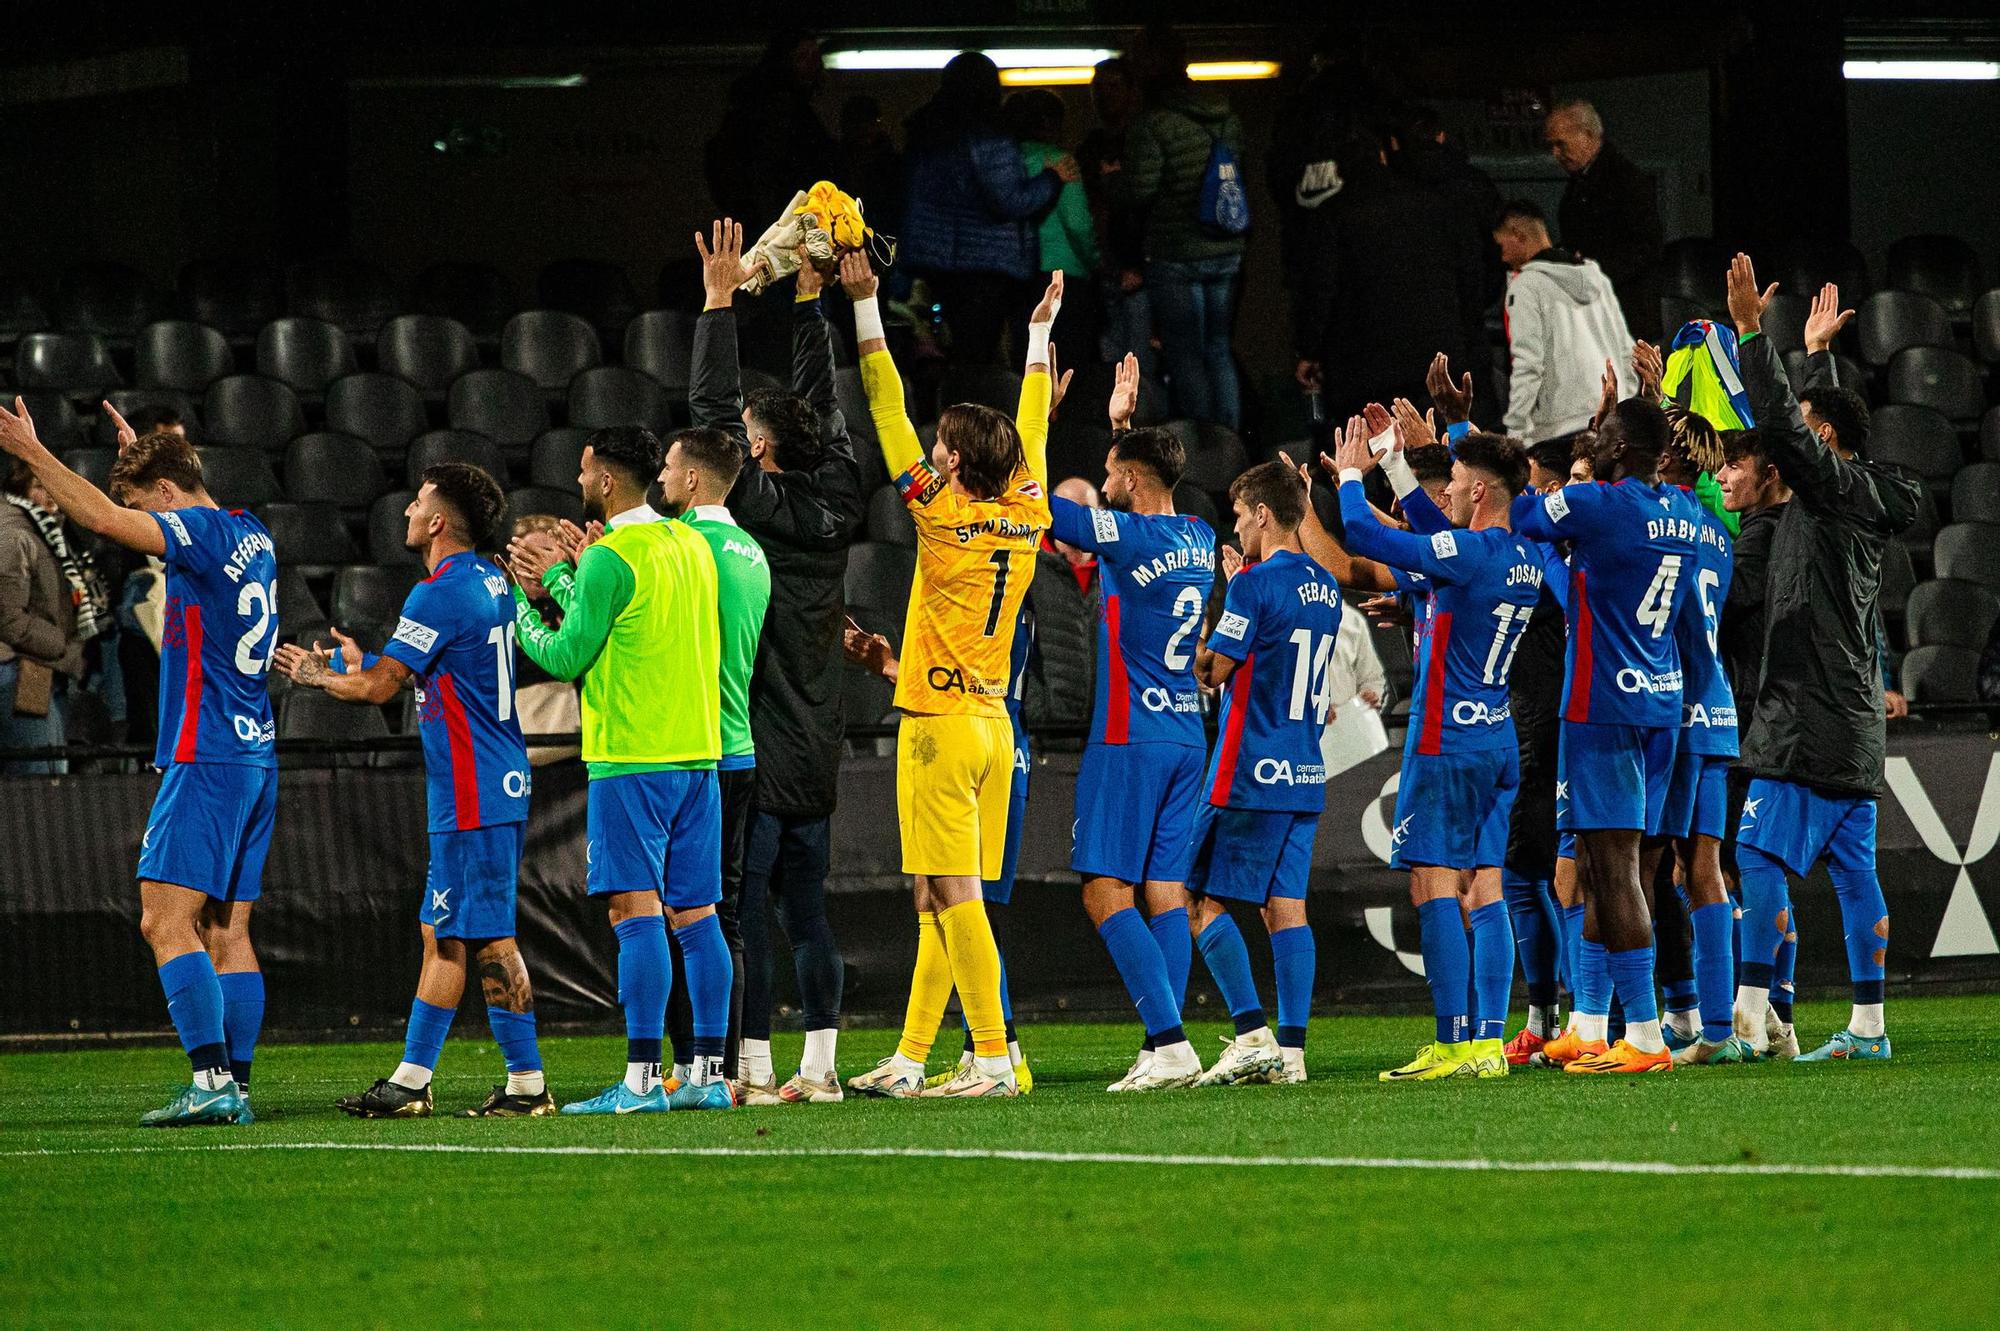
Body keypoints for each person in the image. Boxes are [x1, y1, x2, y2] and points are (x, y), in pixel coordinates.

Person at [0, 399, 277, 1126]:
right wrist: (139, 453)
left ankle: (211, 1079)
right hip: (255, 752)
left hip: (208, 751)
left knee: (163, 918)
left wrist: (33, 452)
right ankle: (237, 1085)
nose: (141, 521)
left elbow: (101, 518)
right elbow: (158, 501)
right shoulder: (253, 531)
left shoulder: (204, 531)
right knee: (227, 928)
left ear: (165, 496)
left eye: (143, 501)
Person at [841, 253, 1056, 1099]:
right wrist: (1037, 336)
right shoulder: (1030, 510)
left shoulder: (942, 514)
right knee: (937, 892)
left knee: (951, 890)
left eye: (940, 447)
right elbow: (1033, 424)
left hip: (937, 723)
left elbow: (886, 405)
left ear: (957, 462)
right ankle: (911, 1054)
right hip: (995, 725)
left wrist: (865, 307)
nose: (928, 453)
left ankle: (995, 1055)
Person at [275, 465, 551, 1117]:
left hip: (475, 786)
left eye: (418, 501)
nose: (404, 510)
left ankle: (520, 1083)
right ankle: (421, 1080)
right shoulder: (490, 579)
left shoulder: (440, 592)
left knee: (488, 936)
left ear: (437, 522)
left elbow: (378, 689)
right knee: (444, 931)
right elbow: (423, 673)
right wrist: (363, 664)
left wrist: (318, 677)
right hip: (486, 778)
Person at [1726, 262, 1924, 1062]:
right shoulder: (1860, 494)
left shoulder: (1833, 489)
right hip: (1853, 716)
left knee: (1758, 853)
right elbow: (1814, 425)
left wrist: (1751, 333)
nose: (1794, 446)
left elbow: (1784, 426)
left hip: (1804, 709)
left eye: (1813, 432)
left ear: (1828, 443)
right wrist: (1815, 357)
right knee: (1851, 871)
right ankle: (1869, 1028)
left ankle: (1749, 1015)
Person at [506, 426, 735, 1113]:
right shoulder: (692, 542)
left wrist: (529, 596)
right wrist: (569, 575)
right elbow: (642, 624)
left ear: (606, 480)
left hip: (632, 756)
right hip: (699, 754)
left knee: (633, 914)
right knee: (698, 917)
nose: (578, 482)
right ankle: (708, 1075)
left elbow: (568, 653)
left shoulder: (611, 557)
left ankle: (640, 1082)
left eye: (583, 472)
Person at [690, 220, 868, 1104]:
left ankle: (753, 1068)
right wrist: (807, 299)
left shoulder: (753, 504)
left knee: (745, 911)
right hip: (822, 737)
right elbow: (824, 407)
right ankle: (821, 1068)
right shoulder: (839, 493)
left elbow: (715, 419)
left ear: (757, 455)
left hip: (759, 737)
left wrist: (721, 305)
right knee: (808, 912)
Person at [1331, 422, 1544, 1081]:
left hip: (1445, 738)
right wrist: (1395, 462)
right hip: (1497, 738)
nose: (1444, 488)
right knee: (1485, 885)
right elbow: (1432, 532)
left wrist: (1346, 477)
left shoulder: (1471, 554)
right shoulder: (1524, 553)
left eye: (1453, 481)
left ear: (1478, 491)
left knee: (1430, 881)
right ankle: (1485, 1043)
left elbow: (1371, 536)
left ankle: (1452, 1045)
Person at [1511, 393, 1703, 1074]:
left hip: (1603, 707)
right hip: (1659, 705)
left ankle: (1647, 1036)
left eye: (1603, 432)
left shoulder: (1599, 504)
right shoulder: (1687, 513)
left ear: (1621, 449)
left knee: (1616, 868)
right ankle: (1591, 1023)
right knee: (1601, 864)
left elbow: (1524, 512)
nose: (1594, 436)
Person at [1045, 356, 1214, 1091]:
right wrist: (1124, 428)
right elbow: (1141, 486)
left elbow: (1038, 504)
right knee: (1165, 890)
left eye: (1111, 474)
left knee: (1104, 891)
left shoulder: (1128, 537)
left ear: (1133, 481)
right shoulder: (1200, 535)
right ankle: (1161, 1043)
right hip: (1187, 733)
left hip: (1130, 732)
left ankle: (1171, 1040)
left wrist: (1041, 417)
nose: (1103, 484)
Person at [1186, 461, 1343, 1088]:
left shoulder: (1253, 585)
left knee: (1202, 899)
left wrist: (1217, 606)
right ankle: (1293, 1053)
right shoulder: (1326, 584)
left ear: (1263, 516)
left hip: (1251, 770)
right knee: (1286, 907)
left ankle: (1252, 1035)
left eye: (1240, 515)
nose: (1236, 526)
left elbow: (1212, 671)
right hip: (1305, 769)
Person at [655, 423, 770, 1100]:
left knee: (685, 913)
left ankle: (697, 1066)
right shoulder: (753, 551)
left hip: (693, 749)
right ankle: (721, 1068)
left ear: (693, 478)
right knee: (724, 915)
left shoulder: (685, 544)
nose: (663, 477)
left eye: (669, 466)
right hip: (741, 744)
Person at [1653, 421, 1756, 1066]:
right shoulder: (1718, 533)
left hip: (1669, 709)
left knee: (1652, 864)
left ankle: (1657, 1017)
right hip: (1717, 707)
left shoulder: (1655, 524)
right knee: (1706, 867)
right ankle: (1717, 1026)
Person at [1293, 133, 1486, 425]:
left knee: (1375, 451)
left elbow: (1321, 290)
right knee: (1439, 449)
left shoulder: (1334, 216)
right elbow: (1471, 274)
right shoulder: (1435, 205)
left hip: (1363, 368)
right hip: (1437, 357)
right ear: (1382, 155)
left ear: (1339, 168)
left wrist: (1309, 350)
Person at [901, 51, 1076, 365]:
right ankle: (978, 412)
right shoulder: (988, 136)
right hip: (986, 264)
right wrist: (1052, 178)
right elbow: (1010, 201)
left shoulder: (926, 133)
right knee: (980, 355)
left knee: (957, 351)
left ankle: (951, 410)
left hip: (939, 261)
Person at [1117, 23, 1248, 427]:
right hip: (1226, 248)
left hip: (1176, 254)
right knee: (1220, 347)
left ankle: (1203, 447)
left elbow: (1140, 191)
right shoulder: (1224, 116)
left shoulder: (1152, 124)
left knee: (1185, 351)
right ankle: (1232, 442)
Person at [1716, 428, 1799, 1049]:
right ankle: (1779, 1017)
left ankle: (1750, 1009)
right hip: (1787, 713)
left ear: (1768, 473)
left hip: (1751, 720)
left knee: (1737, 864)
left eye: (1732, 467)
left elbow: (1716, 610)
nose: (1720, 478)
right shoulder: (1796, 533)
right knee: (1761, 862)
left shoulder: (1760, 540)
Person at [1493, 201, 1636, 447]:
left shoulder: (1526, 286)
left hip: (1557, 431)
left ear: (1517, 234)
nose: (1502, 255)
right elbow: (1627, 352)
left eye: (1501, 244)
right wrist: (1624, 405)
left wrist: (1516, 431)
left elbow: (1528, 364)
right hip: (1612, 422)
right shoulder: (1597, 279)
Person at [1546, 98, 1662, 342]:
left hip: (1626, 314)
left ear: (1587, 135)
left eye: (1561, 144)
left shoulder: (1627, 182)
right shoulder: (1581, 184)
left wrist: (1593, 272)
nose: (1555, 154)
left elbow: (1646, 247)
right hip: (1599, 312)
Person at [704, 30, 837, 233]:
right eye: (802, 57)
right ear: (783, 62)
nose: (812, 65)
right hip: (776, 224)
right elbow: (765, 171)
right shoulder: (772, 108)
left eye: (814, 57)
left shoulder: (797, 109)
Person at [1, 458, 86, 774]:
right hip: (22, 670)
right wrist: (59, 645)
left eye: (55, 488)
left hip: (48, 669)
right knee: (39, 778)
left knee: (52, 772)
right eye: (40, 487)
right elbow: (8, 618)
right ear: (19, 492)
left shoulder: (53, 535)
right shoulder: (13, 535)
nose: (52, 497)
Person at [1008, 89, 1103, 362]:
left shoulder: (1005, 162)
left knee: (1028, 358)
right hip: (1065, 275)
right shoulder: (1060, 161)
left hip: (1019, 276)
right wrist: (1094, 261)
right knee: (1067, 359)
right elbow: (1077, 224)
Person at [1079, 57, 1154, 375]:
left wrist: (1138, 264)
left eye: (1113, 87)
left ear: (1131, 92)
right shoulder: (1090, 147)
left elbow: (1149, 208)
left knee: (1139, 366)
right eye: (1098, 88)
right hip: (1102, 268)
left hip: (1138, 271)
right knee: (1110, 364)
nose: (1104, 95)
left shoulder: (1144, 142)